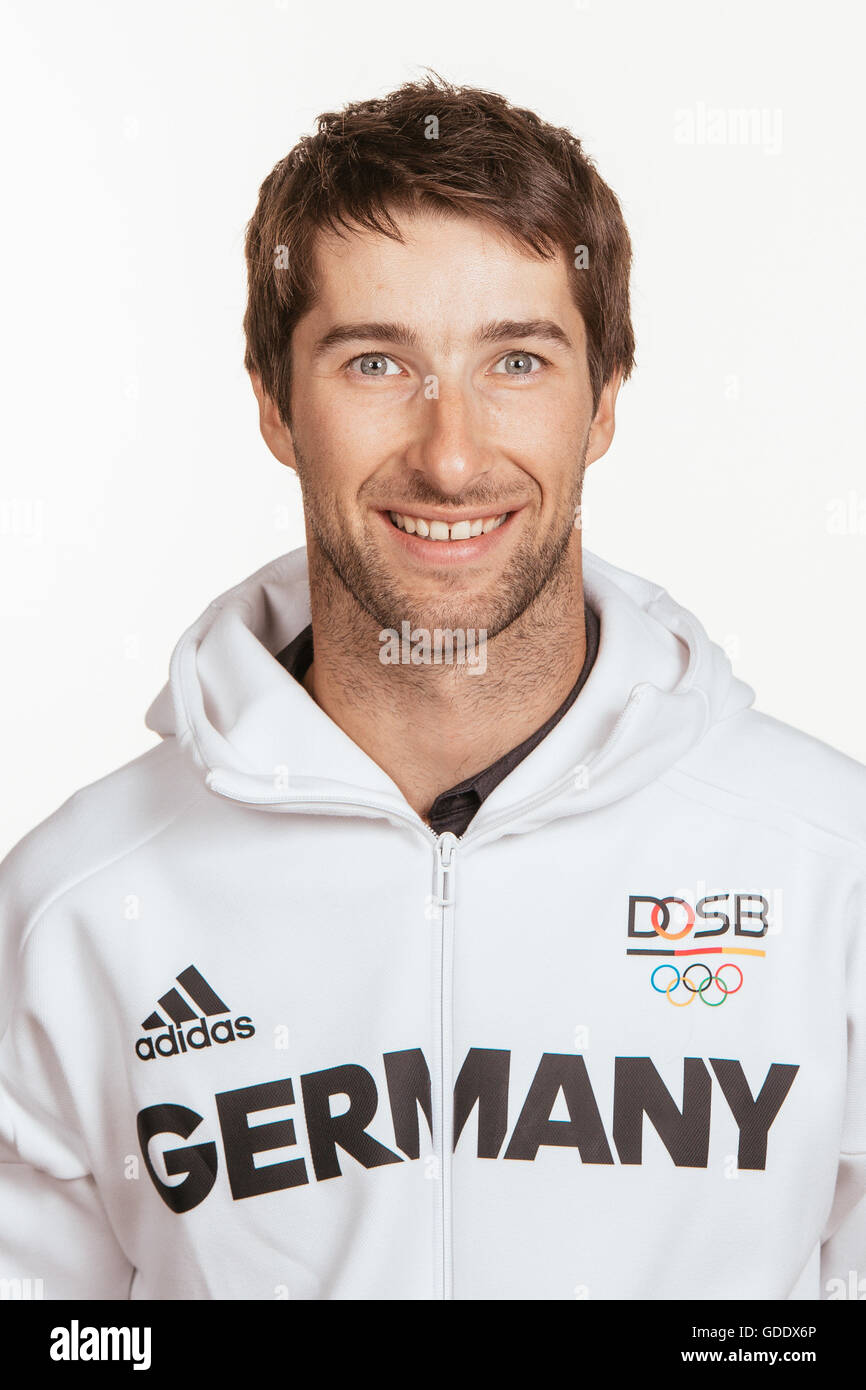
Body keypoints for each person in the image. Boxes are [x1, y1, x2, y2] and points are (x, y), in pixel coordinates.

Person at [0, 73, 863, 1302]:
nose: (449, 454)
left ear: (603, 401)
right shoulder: (72, 909)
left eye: (515, 359)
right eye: (373, 363)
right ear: (273, 404)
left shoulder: (830, 872)